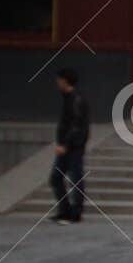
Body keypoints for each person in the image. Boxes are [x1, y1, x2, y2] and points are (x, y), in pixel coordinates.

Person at [50, 67, 89, 225]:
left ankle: (75, 213)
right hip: (66, 145)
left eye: (59, 80)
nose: (57, 83)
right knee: (56, 178)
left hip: (73, 146)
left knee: (75, 178)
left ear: (65, 81)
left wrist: (65, 144)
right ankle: (65, 211)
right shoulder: (68, 98)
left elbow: (76, 125)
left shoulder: (76, 100)